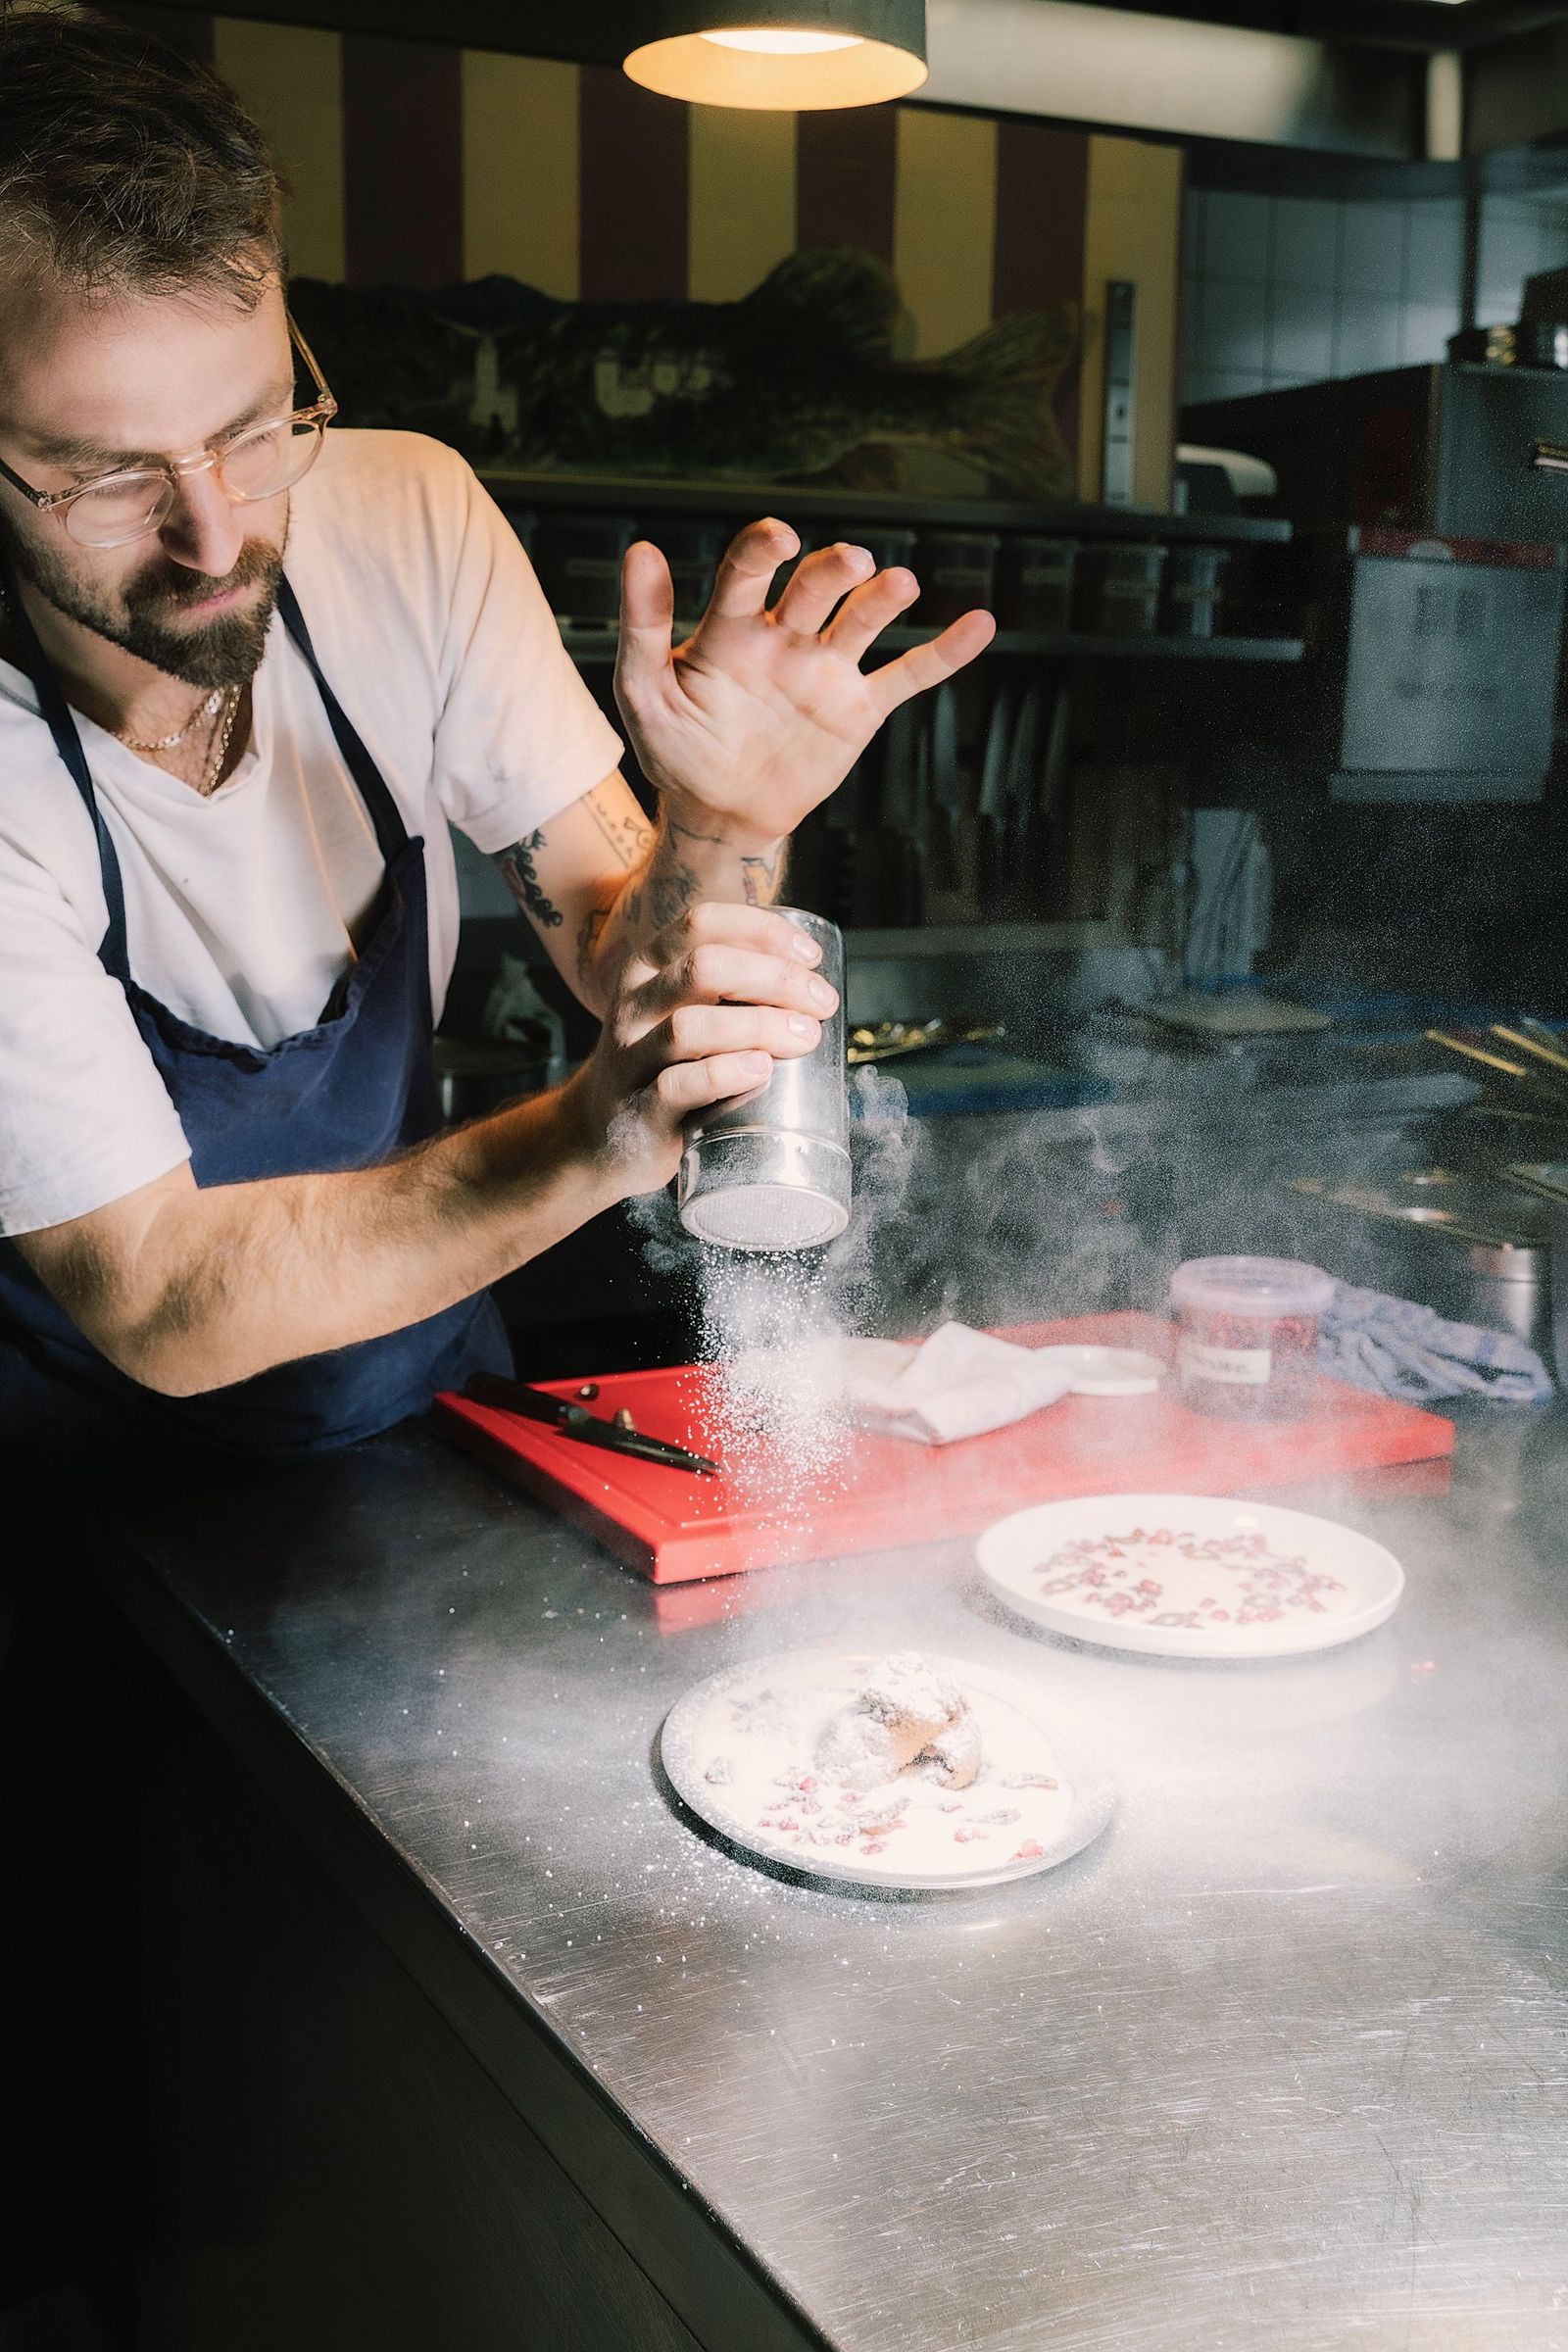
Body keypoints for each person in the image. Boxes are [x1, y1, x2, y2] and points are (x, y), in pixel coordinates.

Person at [0, 4, 992, 1471]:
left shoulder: (406, 520)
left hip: (421, 1407)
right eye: (106, 477)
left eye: (261, 428)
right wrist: (590, 1139)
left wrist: (716, 829)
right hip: (85, 1495)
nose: (216, 531)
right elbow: (155, 1293)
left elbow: (621, 949)